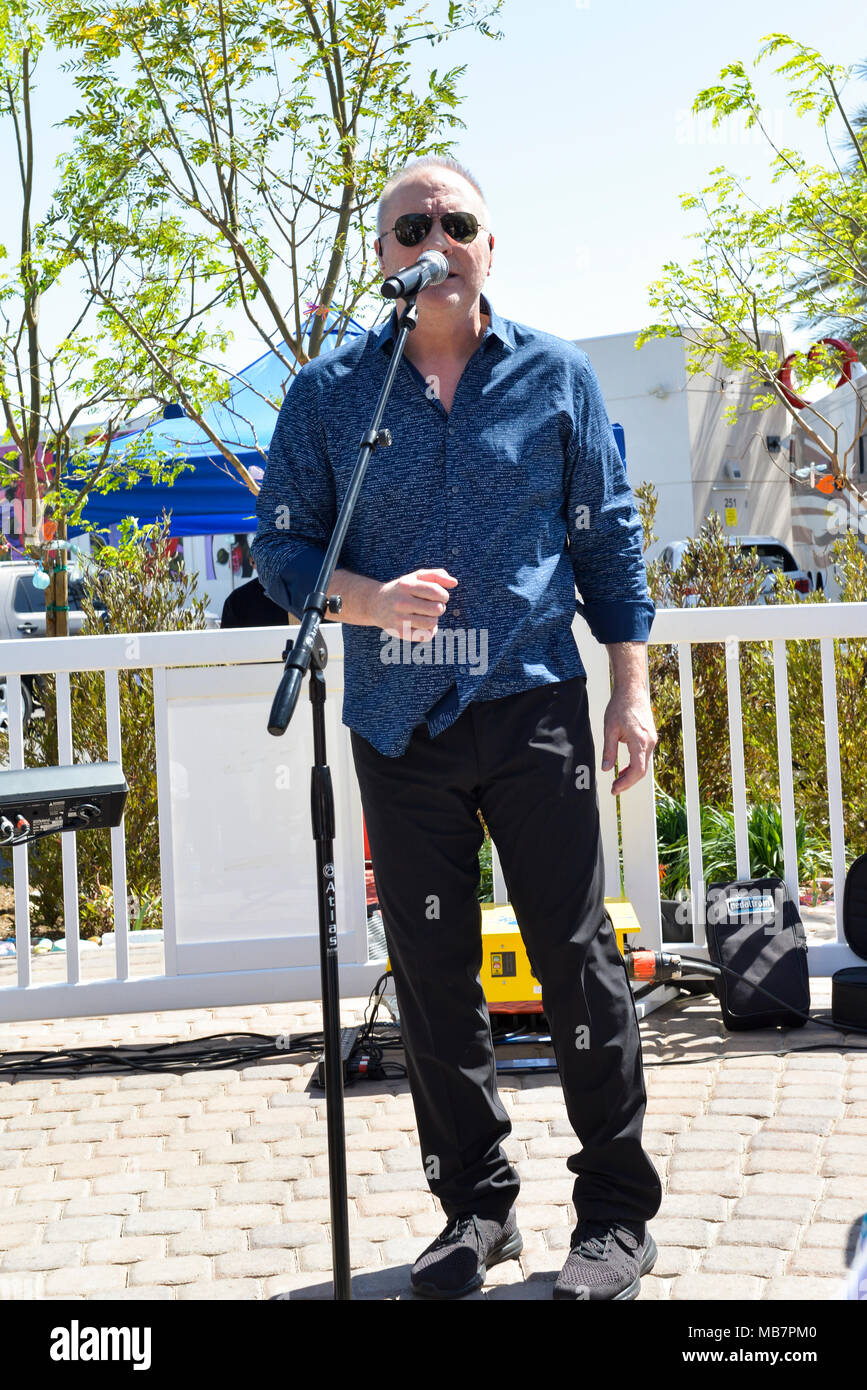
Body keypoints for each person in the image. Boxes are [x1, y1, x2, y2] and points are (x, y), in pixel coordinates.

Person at [253, 155, 662, 1301]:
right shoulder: (334, 393)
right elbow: (283, 551)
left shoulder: (559, 378)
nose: (434, 237)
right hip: (397, 721)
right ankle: (475, 1210)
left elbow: (609, 543)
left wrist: (628, 688)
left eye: (456, 221)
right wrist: (368, 602)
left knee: (577, 962)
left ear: (492, 246)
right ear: (382, 256)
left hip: (531, 703)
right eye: (408, 226)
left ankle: (616, 1214)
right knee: (433, 977)